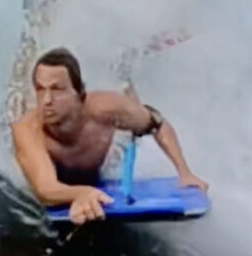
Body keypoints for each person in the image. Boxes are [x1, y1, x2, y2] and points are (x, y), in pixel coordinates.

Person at [10, 47, 207, 225]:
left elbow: (157, 122)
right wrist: (83, 193)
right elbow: (46, 189)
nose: (46, 100)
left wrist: (184, 172)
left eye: (57, 89)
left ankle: (128, 63)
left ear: (79, 93)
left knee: (134, 120)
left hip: (95, 167)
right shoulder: (28, 129)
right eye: (40, 89)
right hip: (58, 183)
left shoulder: (106, 110)